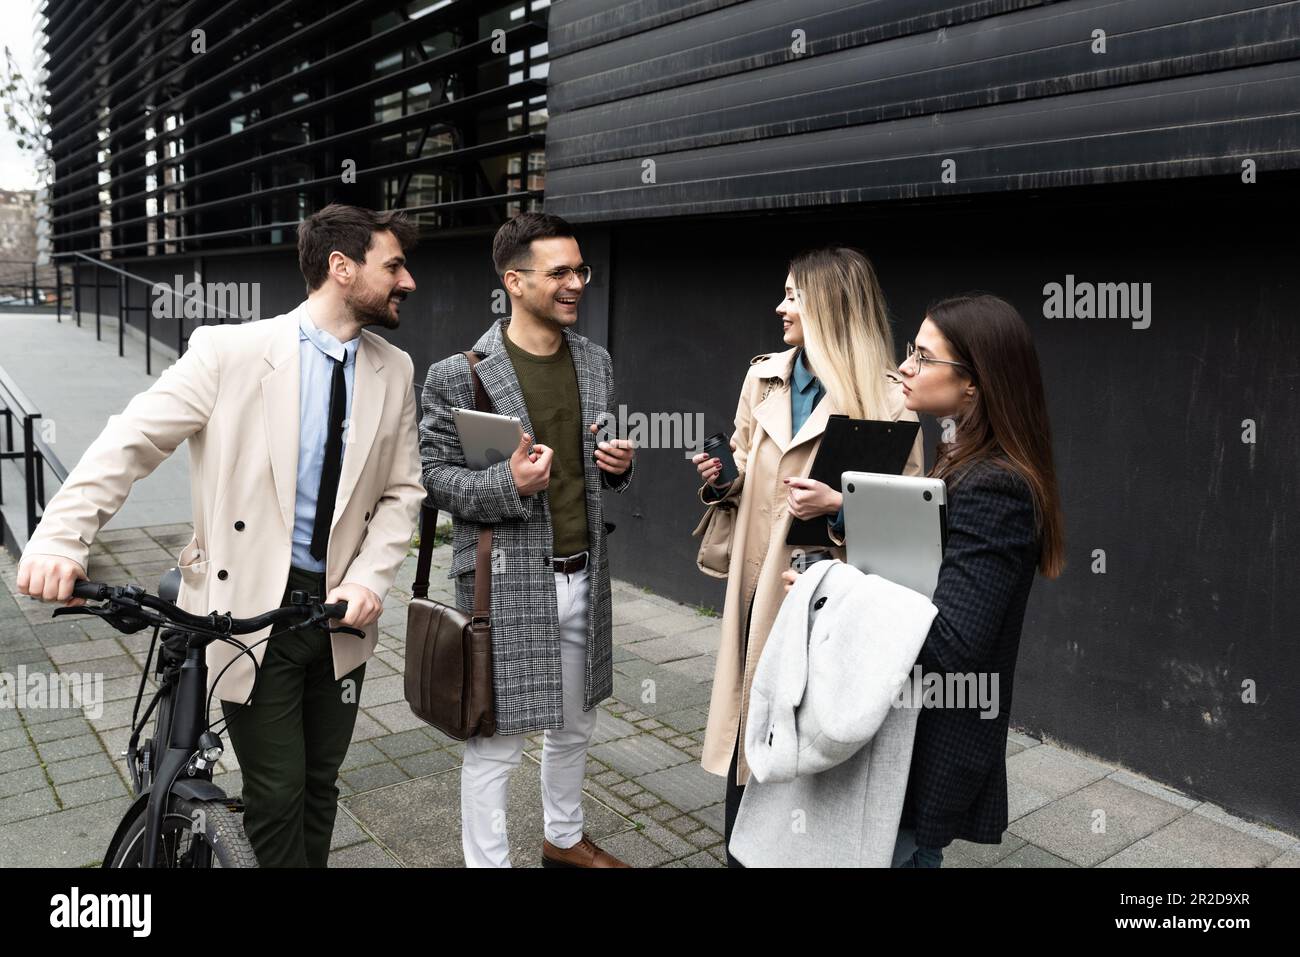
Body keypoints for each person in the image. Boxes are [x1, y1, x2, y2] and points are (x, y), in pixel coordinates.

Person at [17, 203, 427, 867]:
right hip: (248, 609)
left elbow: (403, 489)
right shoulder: (229, 352)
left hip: (342, 611)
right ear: (341, 267)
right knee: (277, 788)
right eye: (394, 265)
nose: (408, 281)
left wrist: (368, 577)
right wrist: (61, 538)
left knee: (321, 780)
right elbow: (133, 438)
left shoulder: (396, 368)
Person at [784, 292, 1066, 868]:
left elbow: (952, 643)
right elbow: (924, 569)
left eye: (922, 356)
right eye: (909, 350)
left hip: (925, 738)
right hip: (905, 727)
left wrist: (833, 594)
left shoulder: (996, 487)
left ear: (974, 384)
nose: (904, 367)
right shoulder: (958, 459)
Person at [691, 246, 924, 867]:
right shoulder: (763, 375)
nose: (780, 306)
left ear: (829, 306)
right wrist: (722, 478)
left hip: (825, 600)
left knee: (810, 726)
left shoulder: (892, 398)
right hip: (753, 591)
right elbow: (744, 461)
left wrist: (839, 508)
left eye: (793, 295)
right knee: (753, 723)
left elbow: (912, 522)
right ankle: (745, 851)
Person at [419, 212, 635, 868]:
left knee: (576, 722)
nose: (576, 283)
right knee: (495, 740)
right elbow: (434, 479)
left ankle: (562, 839)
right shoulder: (460, 373)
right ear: (514, 281)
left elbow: (588, 463)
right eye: (559, 272)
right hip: (505, 581)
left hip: (584, 573)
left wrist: (617, 467)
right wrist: (507, 482)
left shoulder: (595, 361)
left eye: (581, 270)